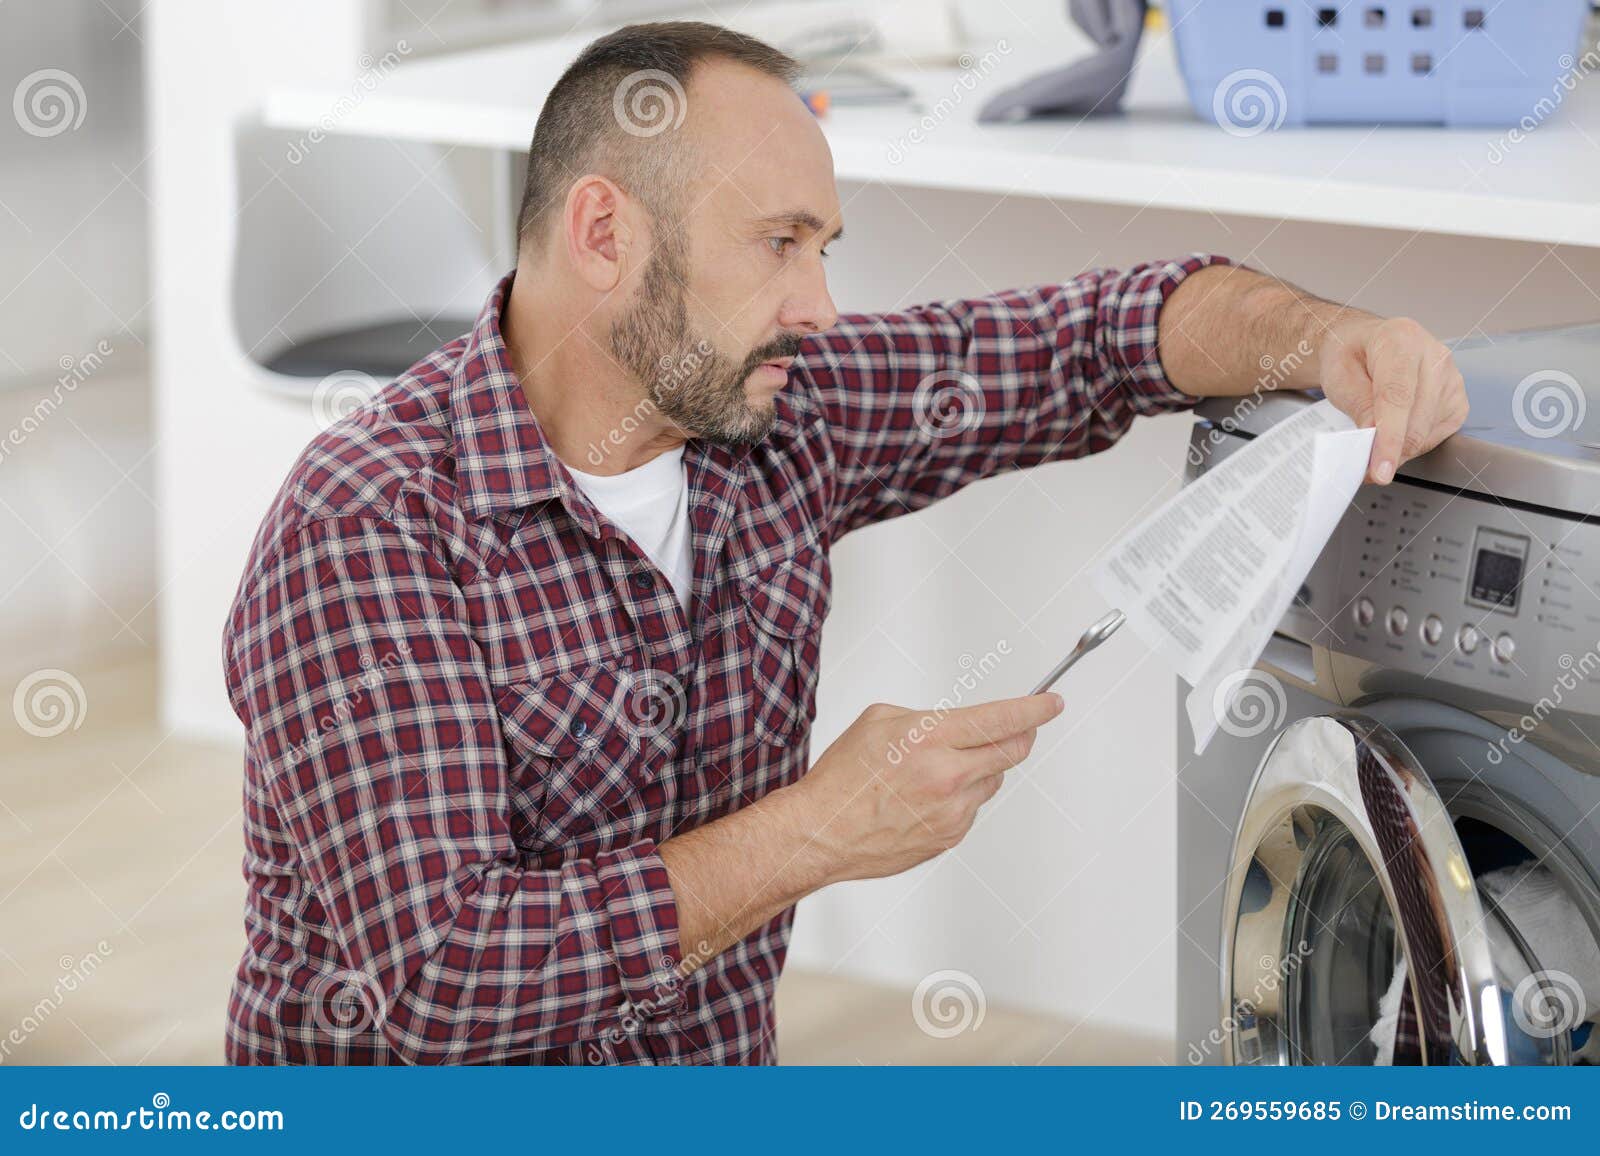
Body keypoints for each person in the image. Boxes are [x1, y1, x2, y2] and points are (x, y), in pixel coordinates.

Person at [221, 20, 1468, 1064]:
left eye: (821, 248)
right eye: (777, 243)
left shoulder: (768, 409)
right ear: (604, 235)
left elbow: (1096, 332)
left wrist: (1325, 338)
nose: (817, 304)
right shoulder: (369, 525)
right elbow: (451, 980)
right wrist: (820, 826)